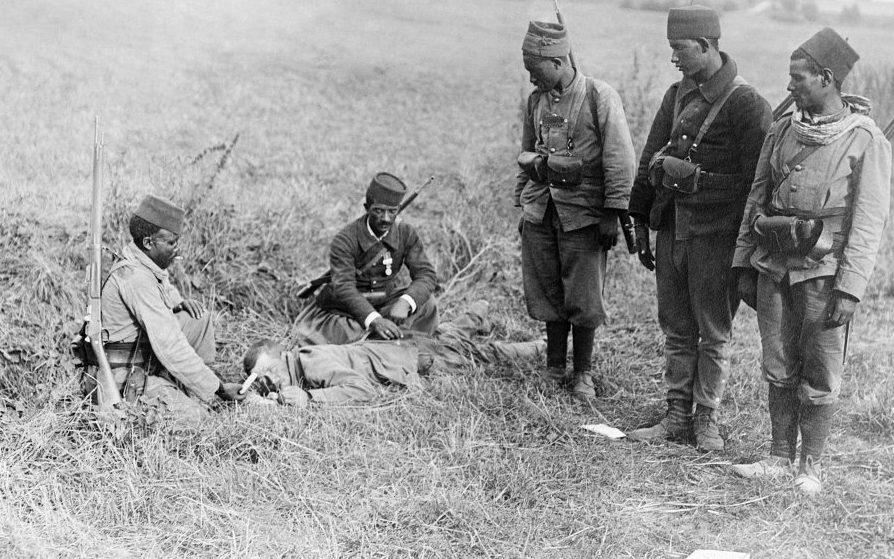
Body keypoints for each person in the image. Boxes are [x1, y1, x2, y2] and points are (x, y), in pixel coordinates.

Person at [730, 28, 891, 494]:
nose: (789, 87)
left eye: (798, 78)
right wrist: (744, 264)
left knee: (820, 370)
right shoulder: (783, 128)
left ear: (826, 78)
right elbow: (755, 197)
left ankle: (810, 467)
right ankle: (779, 457)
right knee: (777, 363)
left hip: (825, 270)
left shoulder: (865, 140)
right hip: (773, 263)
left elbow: (868, 223)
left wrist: (850, 287)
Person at [626, 6, 772, 450]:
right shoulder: (676, 96)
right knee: (676, 326)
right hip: (673, 228)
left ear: (707, 45)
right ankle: (675, 416)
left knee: (713, 330)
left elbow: (757, 184)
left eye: (679, 49)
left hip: (717, 236)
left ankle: (705, 419)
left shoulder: (748, 104)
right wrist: (640, 217)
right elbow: (650, 153)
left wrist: (696, 180)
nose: (673, 58)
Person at [515, 20, 636, 399]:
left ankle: (582, 372)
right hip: (541, 211)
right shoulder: (536, 101)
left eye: (536, 71)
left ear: (556, 60)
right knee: (548, 289)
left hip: (585, 213)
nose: (532, 79)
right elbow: (525, 153)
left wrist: (612, 212)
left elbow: (620, 159)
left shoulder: (599, 96)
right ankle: (554, 366)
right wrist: (523, 203)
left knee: (583, 296)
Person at [78, 195, 246, 427]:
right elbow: (170, 345)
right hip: (124, 379)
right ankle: (192, 391)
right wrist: (217, 388)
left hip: (142, 361)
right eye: (171, 243)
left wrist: (177, 302)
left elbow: (163, 285)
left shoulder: (141, 260)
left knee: (197, 318)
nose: (176, 248)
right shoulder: (136, 279)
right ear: (148, 243)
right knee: (201, 421)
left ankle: (188, 385)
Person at [243, 302, 544, 406]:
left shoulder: (310, 364)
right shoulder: (301, 362)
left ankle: (542, 345)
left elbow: (360, 389)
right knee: (444, 338)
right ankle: (475, 314)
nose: (269, 383)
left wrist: (310, 399)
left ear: (283, 355)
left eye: (269, 374)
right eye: (261, 381)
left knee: (476, 355)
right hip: (399, 348)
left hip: (412, 360)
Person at [294, 172, 439, 346]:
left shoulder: (405, 233)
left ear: (398, 209)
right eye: (378, 211)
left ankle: (399, 342)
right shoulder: (345, 239)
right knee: (349, 337)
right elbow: (344, 287)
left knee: (427, 303)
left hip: (384, 303)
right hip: (346, 311)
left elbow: (426, 274)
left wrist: (405, 302)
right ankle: (388, 343)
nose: (386, 219)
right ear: (366, 208)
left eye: (392, 211)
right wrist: (374, 320)